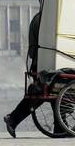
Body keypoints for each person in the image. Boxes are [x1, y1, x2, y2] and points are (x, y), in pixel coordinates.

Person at [3, 9, 50, 138]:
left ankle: (13, 119)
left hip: (39, 63)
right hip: (42, 65)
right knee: (39, 95)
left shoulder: (40, 18)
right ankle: (13, 118)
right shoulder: (45, 20)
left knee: (43, 95)